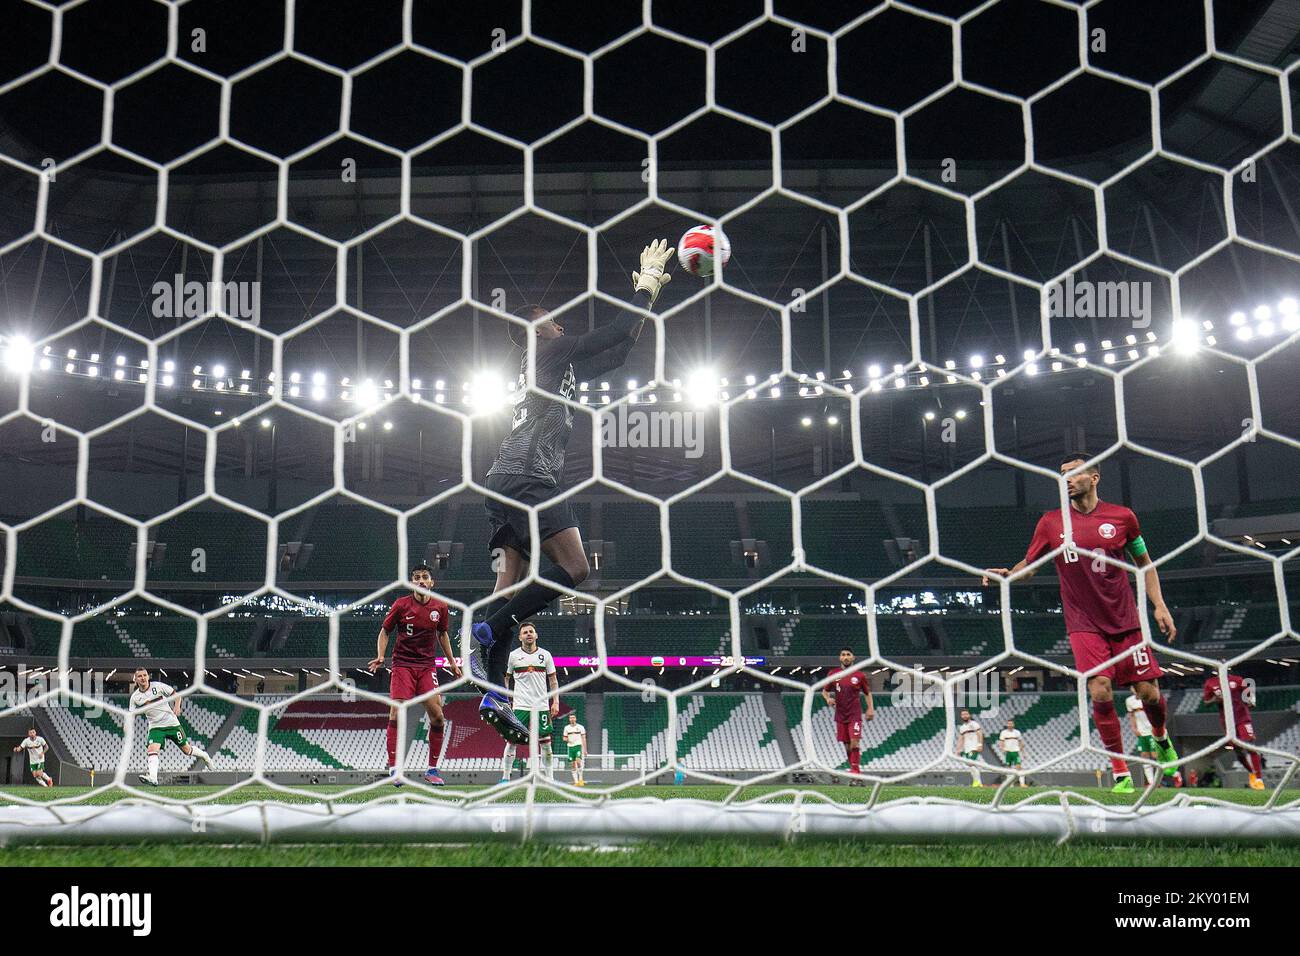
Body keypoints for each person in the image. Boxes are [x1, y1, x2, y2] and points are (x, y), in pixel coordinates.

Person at [469, 240, 675, 742]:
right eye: (554, 319)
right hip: (530, 476)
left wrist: (646, 304)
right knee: (578, 568)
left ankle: (493, 694)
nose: (561, 325)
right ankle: (490, 632)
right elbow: (610, 330)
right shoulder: (549, 348)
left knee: (510, 589)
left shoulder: (550, 366)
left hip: (503, 478)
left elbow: (621, 349)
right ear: (537, 330)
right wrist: (646, 283)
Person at [982, 454, 1179, 793]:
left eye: (1072, 473)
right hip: (1083, 623)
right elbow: (1031, 565)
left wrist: (1159, 605)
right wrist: (1009, 576)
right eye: (1061, 475)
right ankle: (1120, 772)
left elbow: (1145, 563)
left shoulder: (1123, 517)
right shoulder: (1051, 522)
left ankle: (1160, 737)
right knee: (1099, 687)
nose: (1066, 480)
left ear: (1094, 477)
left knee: (1148, 693)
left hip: (1126, 621)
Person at [369, 563, 461, 786]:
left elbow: (443, 635)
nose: (421, 580)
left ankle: (432, 769)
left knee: (438, 717)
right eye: (417, 577)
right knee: (396, 713)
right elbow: (385, 631)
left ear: (432, 582)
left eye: (425, 577)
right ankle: (394, 769)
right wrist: (381, 655)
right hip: (402, 665)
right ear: (412, 583)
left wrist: (452, 661)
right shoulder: (401, 605)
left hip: (427, 667)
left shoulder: (440, 607)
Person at [498, 623, 560, 783]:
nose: (528, 634)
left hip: (541, 706)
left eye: (531, 631)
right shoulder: (513, 656)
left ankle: (550, 779)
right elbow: (506, 678)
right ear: (520, 637)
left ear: (536, 635)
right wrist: (505, 700)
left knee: (545, 744)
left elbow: (553, 680)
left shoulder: (546, 655)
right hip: (520, 705)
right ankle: (505, 778)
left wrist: (556, 701)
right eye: (525, 632)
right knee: (512, 741)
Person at [130, 668, 213, 786]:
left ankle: (205, 756)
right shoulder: (135, 697)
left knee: (187, 750)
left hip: (171, 723)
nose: (143, 678)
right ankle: (153, 777)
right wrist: (127, 726)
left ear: (148, 676)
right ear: (136, 679)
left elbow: (176, 695)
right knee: (152, 750)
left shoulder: (158, 686)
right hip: (155, 727)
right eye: (140, 676)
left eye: (145, 675)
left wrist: (177, 707)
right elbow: (131, 714)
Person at [1203, 671, 1266, 790]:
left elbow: (1249, 691)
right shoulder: (1210, 683)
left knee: (1250, 746)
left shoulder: (1237, 679)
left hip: (1242, 718)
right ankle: (1251, 772)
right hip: (1227, 722)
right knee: (1238, 751)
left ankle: (1259, 779)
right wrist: (1215, 700)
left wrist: (1251, 700)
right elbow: (1206, 702)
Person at [822, 646, 875, 775]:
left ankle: (855, 772)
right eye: (843, 655)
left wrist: (870, 709)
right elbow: (825, 691)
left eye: (848, 654)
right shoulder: (833, 674)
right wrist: (828, 699)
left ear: (853, 657)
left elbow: (867, 693)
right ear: (840, 658)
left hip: (854, 714)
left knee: (854, 742)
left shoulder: (859, 675)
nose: (845, 657)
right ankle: (853, 769)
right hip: (840, 714)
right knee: (847, 745)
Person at [1126, 692, 1159, 785]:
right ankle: (1152, 782)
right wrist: (1134, 728)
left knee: (1155, 755)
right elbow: (1132, 716)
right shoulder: (1129, 701)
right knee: (1144, 755)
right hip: (1141, 732)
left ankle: (1174, 773)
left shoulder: (1148, 697)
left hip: (1152, 731)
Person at [956, 708, 984, 787]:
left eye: (966, 714)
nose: (964, 716)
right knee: (971, 766)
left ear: (969, 715)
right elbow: (961, 739)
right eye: (963, 715)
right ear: (961, 716)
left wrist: (980, 744)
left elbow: (979, 734)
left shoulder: (974, 724)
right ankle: (977, 782)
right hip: (967, 748)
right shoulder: (962, 727)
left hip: (974, 747)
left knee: (971, 764)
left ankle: (977, 782)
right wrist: (958, 749)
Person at [997, 718, 1027, 788]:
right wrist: (1002, 749)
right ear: (1007, 724)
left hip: (1015, 752)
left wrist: (1023, 753)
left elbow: (1020, 743)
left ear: (1013, 724)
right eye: (1009, 723)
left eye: (1011, 723)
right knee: (1009, 768)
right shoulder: (1004, 733)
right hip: (1008, 752)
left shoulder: (1017, 732)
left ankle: (1022, 783)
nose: (1010, 725)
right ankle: (1010, 784)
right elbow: (1001, 742)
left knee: (1019, 767)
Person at [562, 712, 588, 786]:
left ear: (575, 719)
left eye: (573, 717)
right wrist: (567, 739)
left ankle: (581, 779)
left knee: (579, 761)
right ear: (569, 719)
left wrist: (585, 749)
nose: (572, 719)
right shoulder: (566, 728)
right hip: (570, 747)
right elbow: (564, 738)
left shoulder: (581, 727)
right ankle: (576, 782)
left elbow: (584, 738)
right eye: (571, 718)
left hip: (578, 746)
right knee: (573, 765)